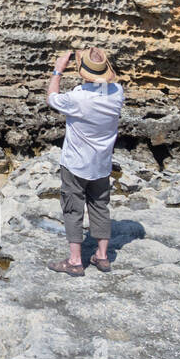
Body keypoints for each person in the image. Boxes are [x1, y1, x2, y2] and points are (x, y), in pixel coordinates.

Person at [45, 47, 124, 276]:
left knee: (73, 208)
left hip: (76, 164)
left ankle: (75, 261)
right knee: (100, 206)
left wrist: (58, 71)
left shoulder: (77, 98)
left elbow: (52, 98)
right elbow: (101, 88)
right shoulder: (117, 92)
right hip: (101, 164)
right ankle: (102, 256)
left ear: (83, 72)